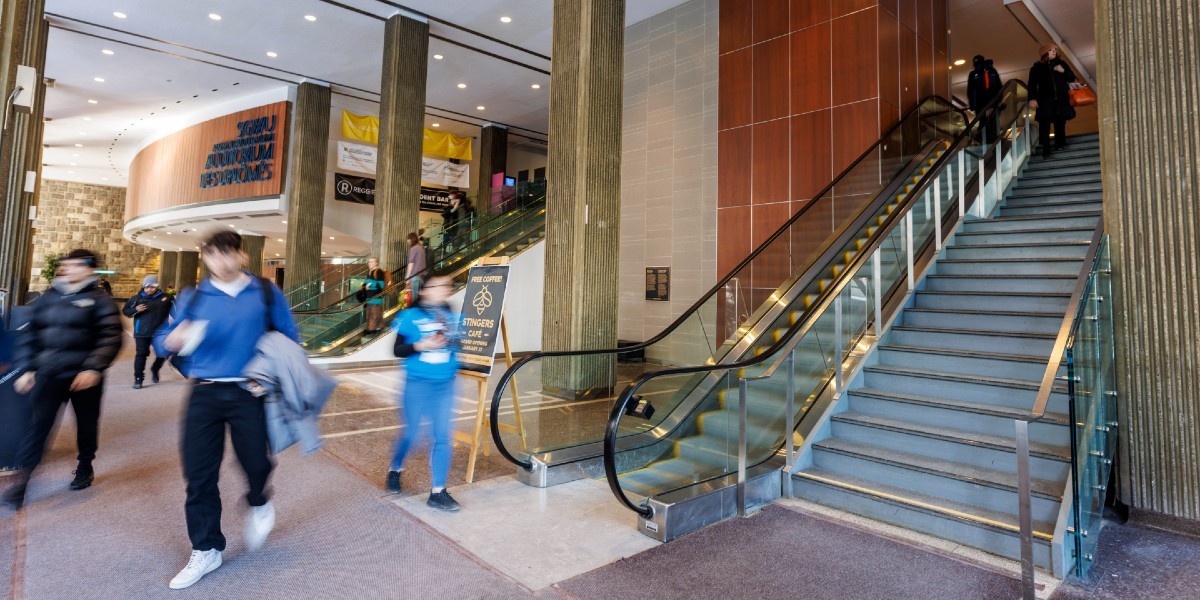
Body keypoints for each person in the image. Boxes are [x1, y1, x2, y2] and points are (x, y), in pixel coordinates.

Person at [155, 231, 298, 590]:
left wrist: (269, 377)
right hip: (203, 392)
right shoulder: (193, 296)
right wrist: (170, 340)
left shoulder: (265, 293)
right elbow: (161, 339)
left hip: (249, 391)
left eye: (225, 254)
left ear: (241, 256)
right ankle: (206, 548)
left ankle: (259, 499)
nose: (218, 262)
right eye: (211, 255)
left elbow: (290, 339)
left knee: (256, 462)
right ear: (204, 258)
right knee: (199, 473)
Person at [0, 249, 123, 508]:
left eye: (77, 264)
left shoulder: (100, 299)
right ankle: (21, 483)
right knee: (38, 428)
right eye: (67, 264)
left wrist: (93, 368)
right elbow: (32, 335)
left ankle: (85, 466)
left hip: (84, 378)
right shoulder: (49, 296)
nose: (69, 268)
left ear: (90, 269)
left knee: (86, 425)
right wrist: (28, 367)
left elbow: (110, 337)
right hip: (49, 374)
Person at [386, 272, 462, 512]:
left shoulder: (450, 315)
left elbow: (454, 343)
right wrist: (422, 345)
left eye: (447, 286)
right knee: (411, 434)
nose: (444, 289)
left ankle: (438, 492)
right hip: (417, 383)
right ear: (425, 291)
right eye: (438, 285)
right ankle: (395, 468)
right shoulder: (410, 316)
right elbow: (398, 350)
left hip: (445, 384)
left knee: (442, 435)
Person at [122, 275, 172, 389]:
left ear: (157, 286)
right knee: (141, 355)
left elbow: (177, 311)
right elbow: (126, 311)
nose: (150, 289)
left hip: (161, 332)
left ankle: (155, 369)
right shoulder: (136, 299)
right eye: (147, 287)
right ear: (143, 286)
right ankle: (138, 379)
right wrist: (136, 310)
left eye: (152, 287)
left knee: (163, 353)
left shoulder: (166, 298)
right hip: (142, 332)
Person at [1028, 42, 1076, 158]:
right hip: (1044, 99)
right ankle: (1046, 148)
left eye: (1055, 49)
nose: (1054, 51)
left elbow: (1072, 78)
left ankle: (1059, 144)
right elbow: (1032, 84)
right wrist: (1031, 98)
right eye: (1051, 50)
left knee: (1060, 120)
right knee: (1045, 122)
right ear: (1045, 53)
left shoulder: (1062, 64)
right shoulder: (1037, 68)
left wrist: (1063, 71)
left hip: (1061, 98)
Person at [966, 55, 1003, 142]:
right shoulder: (975, 74)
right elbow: (971, 91)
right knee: (987, 124)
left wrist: (993, 105)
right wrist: (973, 105)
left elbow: (998, 89)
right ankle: (988, 143)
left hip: (988, 104)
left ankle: (989, 143)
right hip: (983, 105)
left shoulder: (988, 72)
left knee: (989, 124)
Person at [362, 257, 390, 334]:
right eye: (369, 262)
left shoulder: (379, 272)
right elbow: (366, 284)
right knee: (371, 315)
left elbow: (381, 285)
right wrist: (365, 286)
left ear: (376, 263)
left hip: (376, 299)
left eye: (371, 262)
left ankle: (372, 330)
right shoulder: (370, 272)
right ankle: (375, 328)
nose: (369, 263)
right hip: (370, 299)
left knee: (374, 315)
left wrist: (370, 285)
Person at [405, 233, 427, 300]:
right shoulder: (421, 248)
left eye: (408, 239)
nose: (407, 241)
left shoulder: (413, 249)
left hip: (414, 276)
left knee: (414, 298)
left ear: (410, 239)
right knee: (419, 297)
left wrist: (408, 277)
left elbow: (411, 263)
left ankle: (414, 309)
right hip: (421, 276)